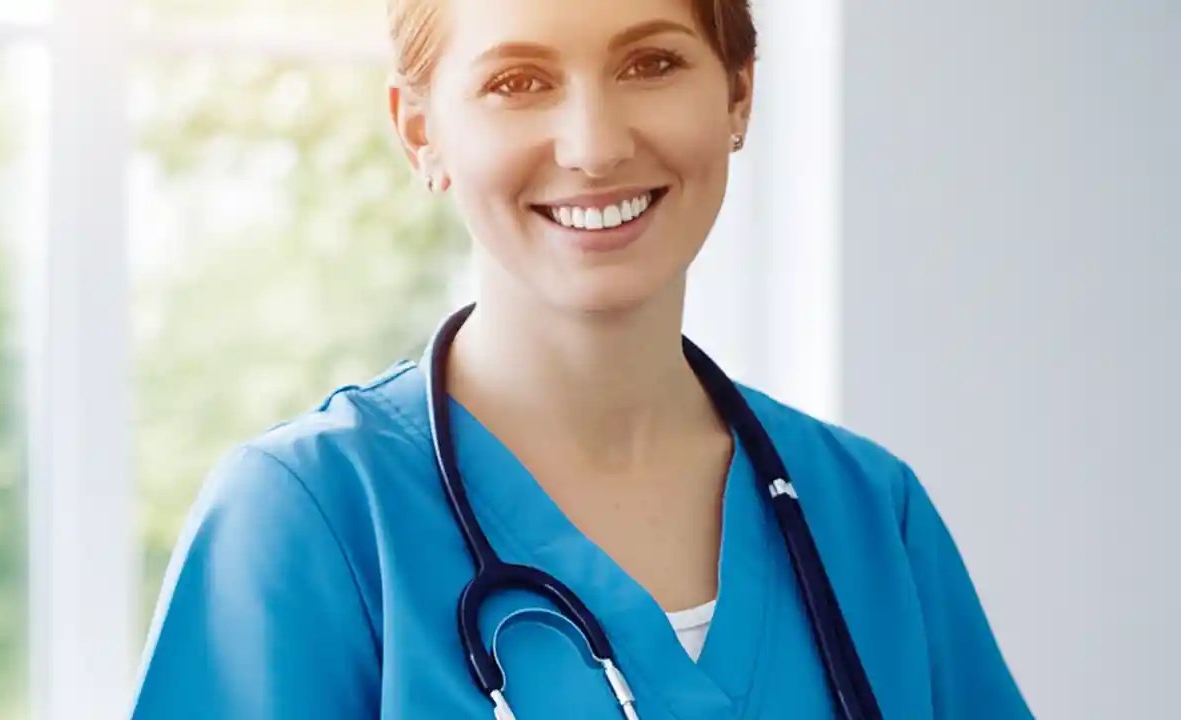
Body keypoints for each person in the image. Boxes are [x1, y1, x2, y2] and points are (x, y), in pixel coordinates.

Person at [130, 0, 1034, 717]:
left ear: (738, 95)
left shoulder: (871, 516)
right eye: (518, 81)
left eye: (651, 63)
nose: (595, 146)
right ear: (420, 132)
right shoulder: (312, 516)